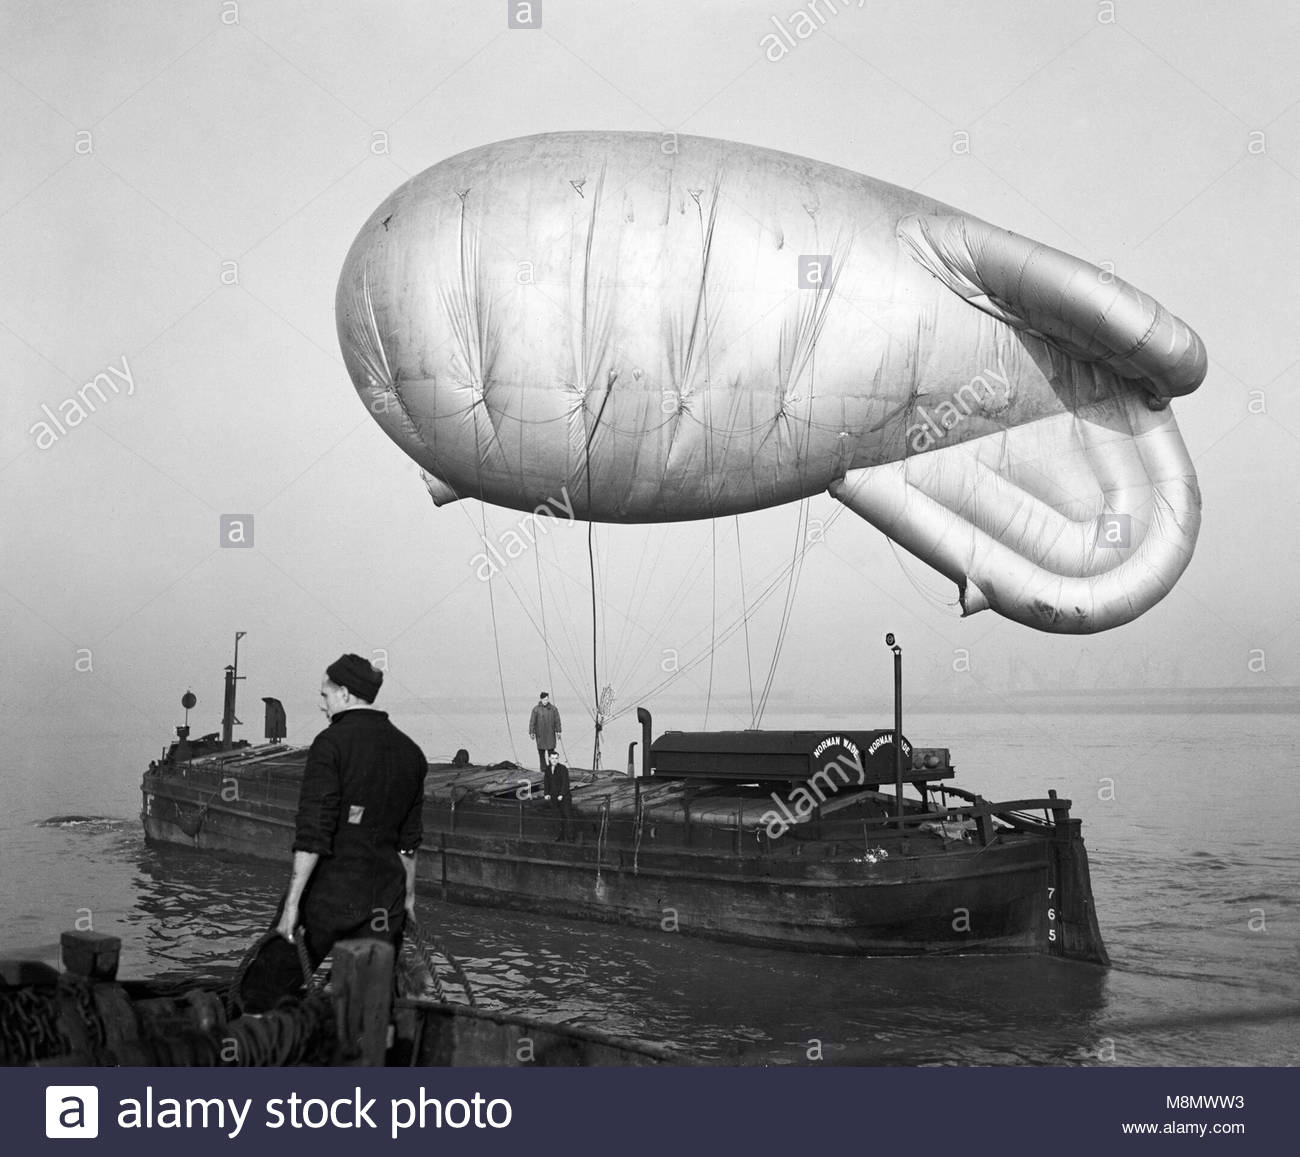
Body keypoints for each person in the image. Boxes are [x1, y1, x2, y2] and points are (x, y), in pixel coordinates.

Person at [271, 653, 428, 986]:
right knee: (363, 1012)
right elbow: (408, 845)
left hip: (329, 896)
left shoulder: (330, 744)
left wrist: (292, 905)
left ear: (344, 693)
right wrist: (408, 903)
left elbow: (314, 834)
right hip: (384, 904)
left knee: (262, 990)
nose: (322, 704)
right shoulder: (411, 753)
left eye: (325, 695)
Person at [528, 691, 562, 797]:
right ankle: (543, 770)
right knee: (541, 752)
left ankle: (553, 768)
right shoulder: (536, 709)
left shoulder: (553, 709)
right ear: (541, 699)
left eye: (547, 699)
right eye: (545, 699)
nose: (546, 701)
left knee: (551, 752)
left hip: (550, 734)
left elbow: (557, 720)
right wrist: (532, 732)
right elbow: (532, 721)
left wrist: (558, 731)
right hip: (541, 735)